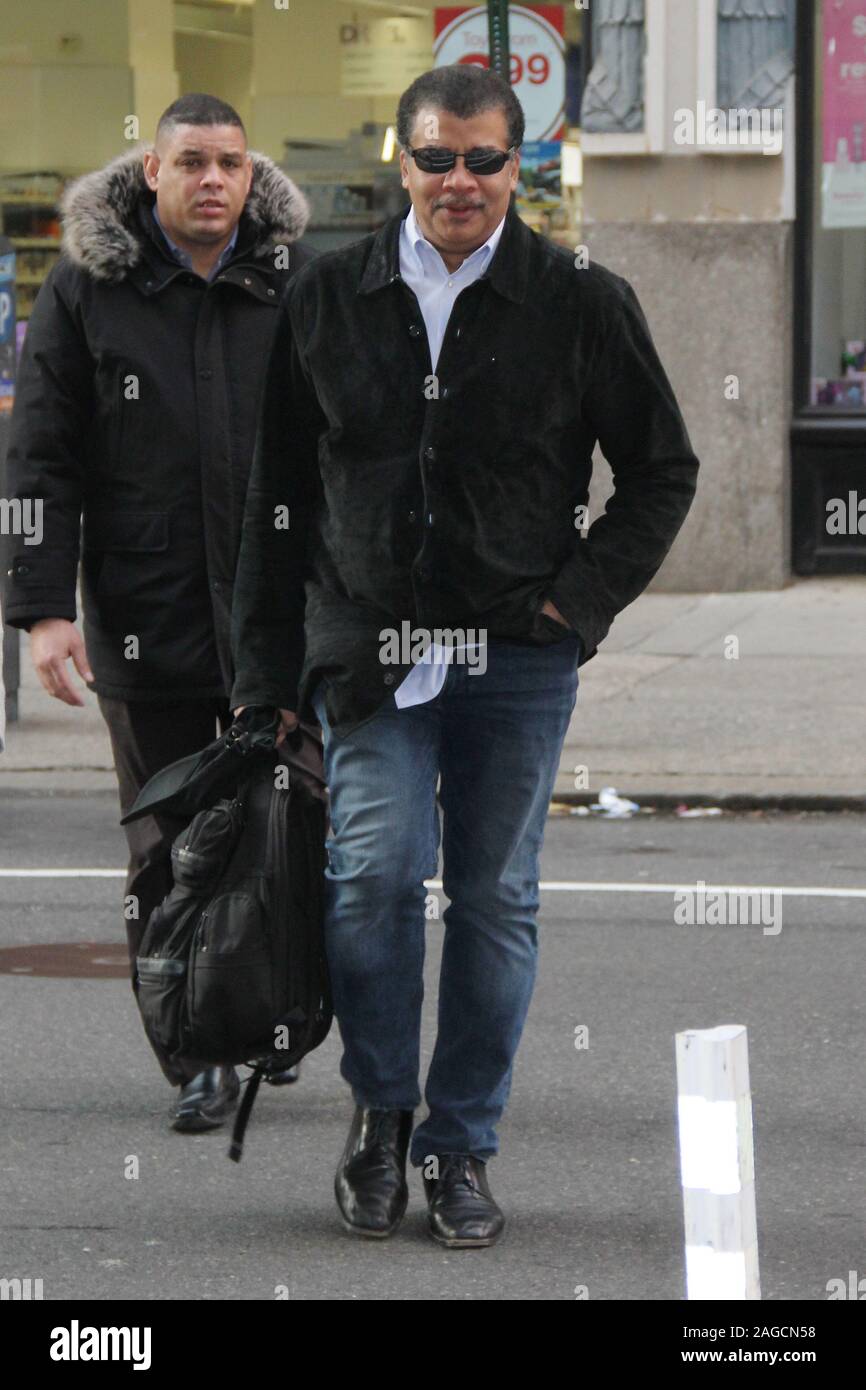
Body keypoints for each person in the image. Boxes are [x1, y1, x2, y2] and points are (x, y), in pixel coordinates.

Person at [230, 65, 699, 1248]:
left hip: (513, 656)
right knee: (374, 878)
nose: (460, 182)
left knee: (494, 901)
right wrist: (259, 678)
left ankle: (459, 1143)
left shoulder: (581, 299)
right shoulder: (328, 296)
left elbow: (660, 472)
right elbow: (277, 497)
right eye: (436, 158)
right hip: (368, 652)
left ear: (518, 167)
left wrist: (571, 608)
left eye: (485, 160)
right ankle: (380, 1114)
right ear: (401, 163)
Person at [2, 93, 313, 1131]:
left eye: (229, 161)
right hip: (146, 614)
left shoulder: (292, 280)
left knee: (282, 832)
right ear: (153, 169)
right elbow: (38, 456)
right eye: (191, 162)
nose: (212, 180)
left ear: (247, 169)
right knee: (164, 845)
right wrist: (44, 610)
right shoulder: (92, 289)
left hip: (283, 620)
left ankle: (270, 1017)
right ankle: (189, 1050)